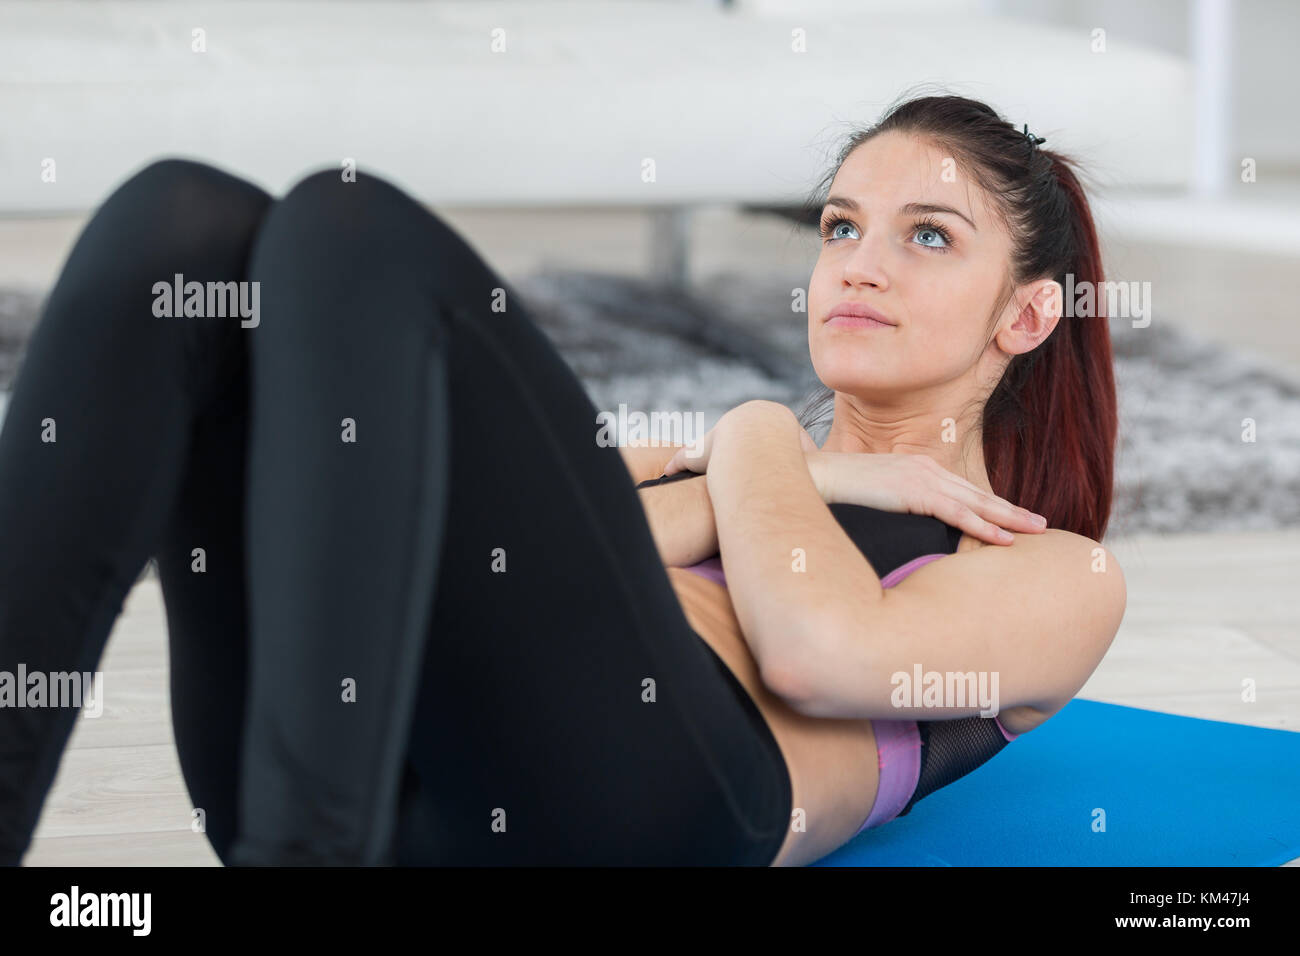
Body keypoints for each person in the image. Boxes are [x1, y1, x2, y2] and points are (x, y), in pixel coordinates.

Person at [0, 91, 1126, 868]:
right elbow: (488, 545)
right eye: (840, 225)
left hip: (643, 806)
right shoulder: (749, 467)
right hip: (391, 774)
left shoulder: (1048, 567)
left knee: (351, 227)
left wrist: (752, 434)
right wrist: (748, 472)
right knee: (180, 219)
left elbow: (815, 651)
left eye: (927, 236)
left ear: (1028, 311)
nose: (859, 264)